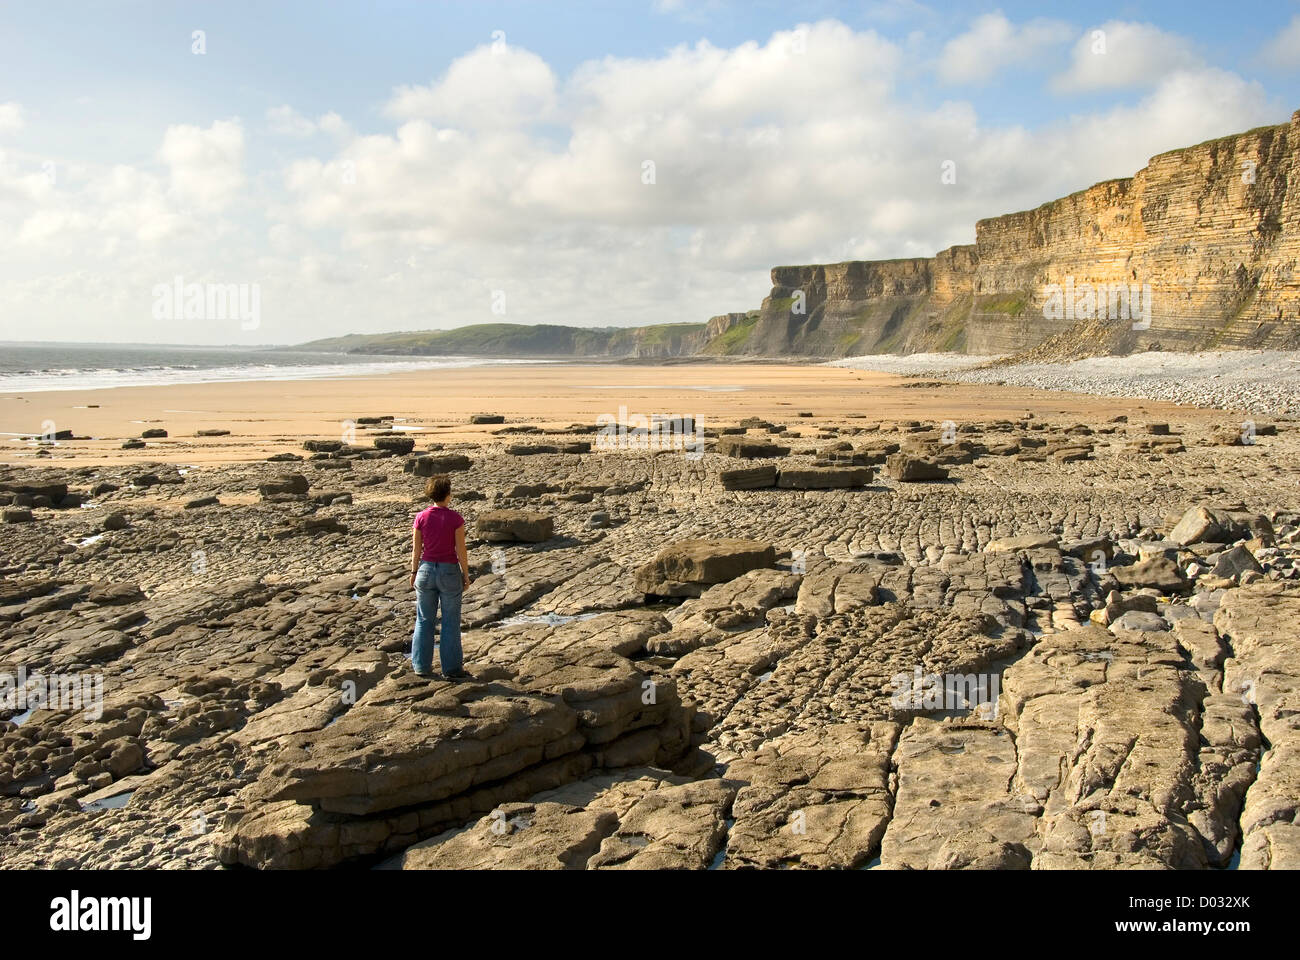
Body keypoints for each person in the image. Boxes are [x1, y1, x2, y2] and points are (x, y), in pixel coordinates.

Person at [410, 474, 472, 679]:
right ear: (448, 495)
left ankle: (421, 666)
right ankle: (452, 668)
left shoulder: (421, 517)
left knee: (424, 620)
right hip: (449, 572)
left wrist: (413, 572)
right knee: (450, 621)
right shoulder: (455, 519)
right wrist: (466, 574)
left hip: (425, 570)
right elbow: (461, 550)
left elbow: (416, 549)